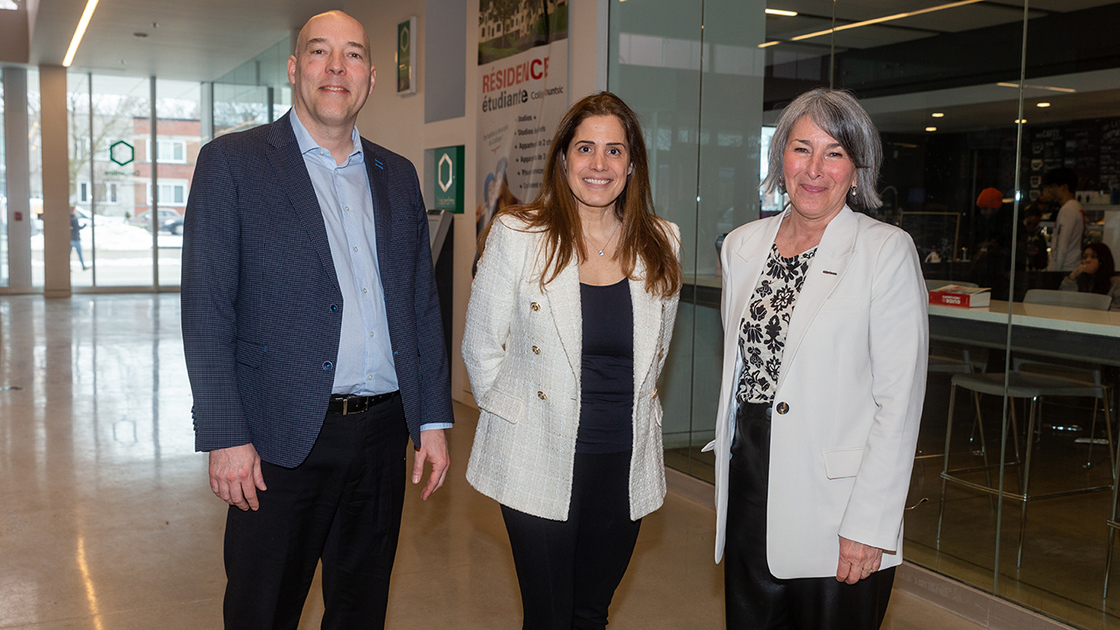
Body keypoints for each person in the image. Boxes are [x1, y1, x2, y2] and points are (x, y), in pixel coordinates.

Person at [180, 11, 453, 629]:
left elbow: (419, 305)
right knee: (262, 610)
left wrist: (431, 418)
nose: (336, 68)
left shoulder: (398, 176)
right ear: (294, 67)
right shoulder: (234, 163)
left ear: (371, 77)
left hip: (382, 435)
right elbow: (206, 308)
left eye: (353, 55)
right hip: (278, 437)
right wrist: (226, 436)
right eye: (321, 52)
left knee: (361, 610)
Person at [709, 87, 928, 629]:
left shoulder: (886, 251)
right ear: (779, 156)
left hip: (838, 506)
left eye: (834, 153)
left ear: (856, 170)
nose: (815, 168)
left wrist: (870, 524)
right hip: (750, 484)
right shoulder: (741, 246)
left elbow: (898, 403)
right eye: (801, 149)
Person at [462, 91, 682, 629]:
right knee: (549, 614)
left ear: (632, 164)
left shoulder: (661, 241)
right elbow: (481, 347)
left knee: (591, 612)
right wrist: (519, 420)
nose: (599, 164)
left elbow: (653, 361)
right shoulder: (519, 234)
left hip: (622, 460)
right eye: (586, 148)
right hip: (536, 453)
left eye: (614, 151)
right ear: (563, 159)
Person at [1043, 167, 1085, 272]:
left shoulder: (1067, 210)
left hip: (1064, 268)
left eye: (1052, 186)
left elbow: (1062, 245)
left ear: (1064, 187)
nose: (1050, 190)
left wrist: (1053, 272)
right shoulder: (1076, 206)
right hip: (1072, 266)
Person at [1060, 241, 1120, 310]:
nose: (1088, 260)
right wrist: (1072, 276)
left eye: (1093, 257)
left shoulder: (1116, 282)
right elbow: (1067, 302)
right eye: (1085, 257)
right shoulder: (1081, 280)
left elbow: (1116, 310)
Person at [1017, 201, 1049, 271]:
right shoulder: (1018, 235)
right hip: (1020, 271)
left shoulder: (1039, 238)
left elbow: (1043, 262)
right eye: (1029, 223)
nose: (1031, 227)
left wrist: (1037, 254)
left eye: (1035, 225)